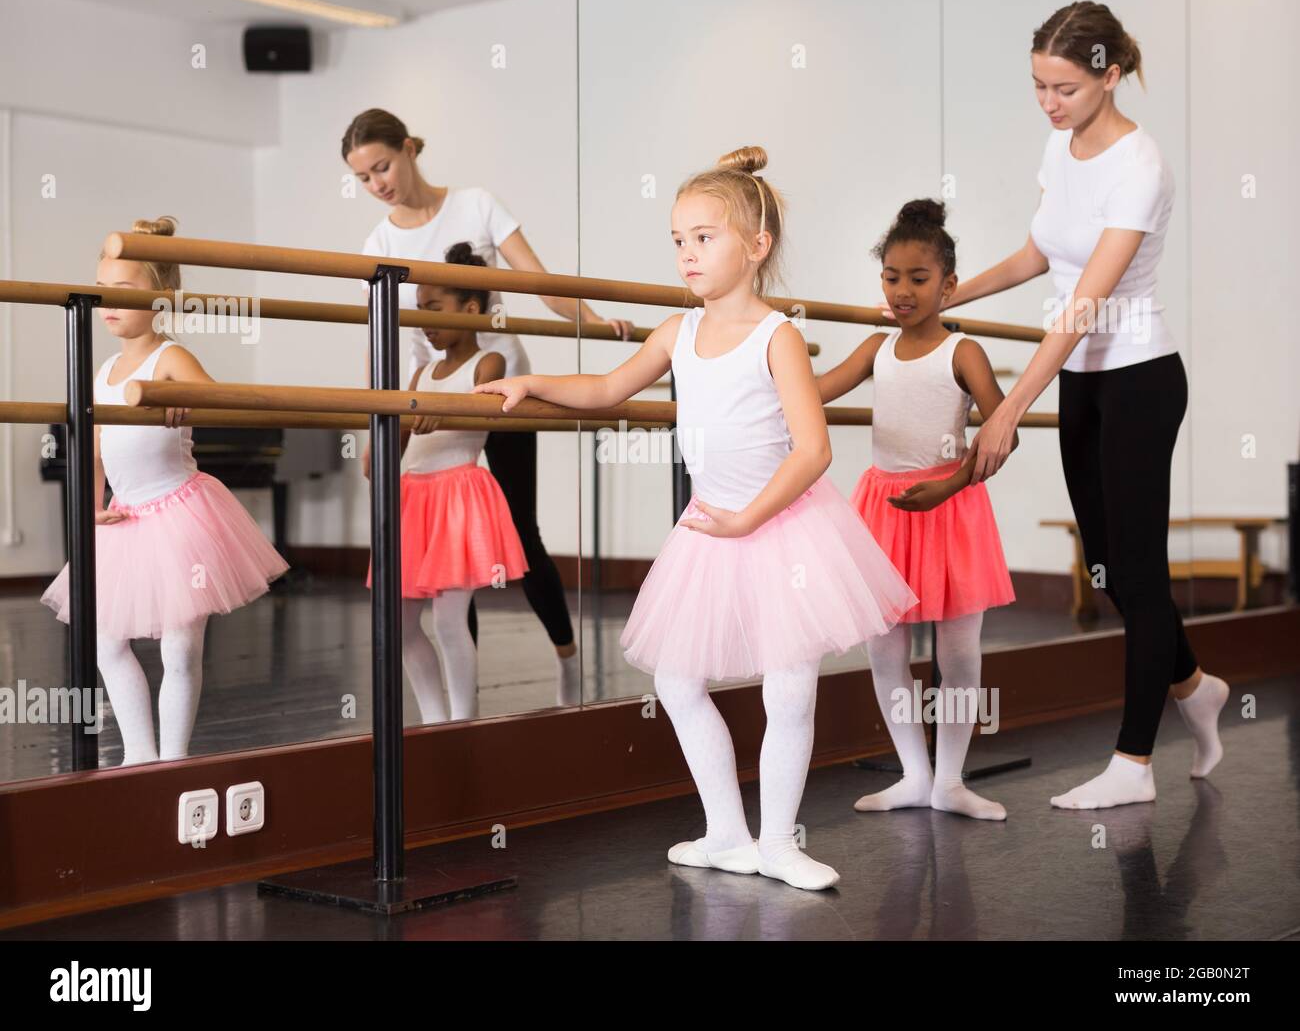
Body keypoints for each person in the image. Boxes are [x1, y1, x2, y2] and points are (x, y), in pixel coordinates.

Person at [474, 146, 917, 890]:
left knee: (788, 687)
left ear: (756, 246)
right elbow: (609, 387)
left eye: (704, 237)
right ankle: (726, 830)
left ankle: (780, 841)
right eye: (678, 239)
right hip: (711, 530)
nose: (686, 253)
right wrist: (532, 383)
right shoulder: (677, 333)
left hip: (781, 525)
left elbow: (811, 451)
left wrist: (749, 519)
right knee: (678, 683)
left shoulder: (776, 335)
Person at [941, 2, 1228, 809]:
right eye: (1038, 84)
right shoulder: (1057, 146)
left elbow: (1082, 309)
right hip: (1082, 383)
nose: (1049, 101)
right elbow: (1044, 251)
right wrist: (959, 290)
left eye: (1064, 86)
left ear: (1109, 74)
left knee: (1139, 572)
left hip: (1138, 377)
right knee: (1111, 572)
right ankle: (1197, 689)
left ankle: (1134, 764)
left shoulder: (1142, 167)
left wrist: (1006, 409)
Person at [344, 107, 628, 705]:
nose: (377, 185)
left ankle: (566, 657)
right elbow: (387, 341)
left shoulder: (475, 203)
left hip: (503, 384)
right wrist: (385, 417)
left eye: (382, 166)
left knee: (522, 530)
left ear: (409, 148)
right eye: (364, 177)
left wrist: (596, 321)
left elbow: (540, 282)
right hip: (436, 387)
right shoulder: (381, 240)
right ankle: (456, 706)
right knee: (449, 562)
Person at [41, 216, 289, 765]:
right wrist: (91, 502)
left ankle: (174, 757)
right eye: (102, 289)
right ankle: (139, 753)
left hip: (181, 515)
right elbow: (96, 449)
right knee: (108, 643)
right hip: (125, 520)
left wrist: (190, 402)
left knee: (180, 646)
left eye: (124, 292)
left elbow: (224, 402)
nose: (108, 302)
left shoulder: (170, 357)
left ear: (162, 298)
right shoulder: (100, 370)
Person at [821, 199, 1016, 822]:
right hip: (885, 506)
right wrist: (763, 353)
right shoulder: (876, 348)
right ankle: (913, 772)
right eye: (891, 278)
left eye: (919, 279)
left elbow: (1002, 433)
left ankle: (951, 780)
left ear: (948, 286)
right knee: (885, 649)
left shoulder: (963, 353)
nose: (902, 291)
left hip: (950, 507)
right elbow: (815, 389)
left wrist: (952, 484)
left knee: (958, 652)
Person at [363, 242, 529, 722]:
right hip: (413, 497)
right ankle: (436, 719)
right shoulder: (421, 372)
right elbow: (393, 450)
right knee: (398, 621)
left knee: (450, 618)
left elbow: (480, 410)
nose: (424, 321)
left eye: (434, 308)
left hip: (458, 494)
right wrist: (380, 441)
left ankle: (463, 718)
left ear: (472, 309)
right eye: (419, 311)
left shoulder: (489, 363)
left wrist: (443, 413)